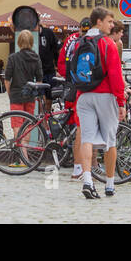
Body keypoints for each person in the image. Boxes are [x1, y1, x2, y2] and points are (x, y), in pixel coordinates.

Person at [71, 6, 127, 199]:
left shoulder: (79, 43)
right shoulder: (108, 44)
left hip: (84, 96)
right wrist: (121, 101)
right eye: (110, 21)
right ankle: (110, 184)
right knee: (110, 141)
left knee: (86, 139)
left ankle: (87, 180)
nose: (112, 25)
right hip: (105, 96)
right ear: (99, 22)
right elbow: (115, 75)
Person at [57, 15, 92, 180]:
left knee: (76, 125)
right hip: (81, 88)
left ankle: (80, 162)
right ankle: (79, 166)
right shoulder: (89, 42)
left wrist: (68, 79)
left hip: (71, 86)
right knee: (81, 128)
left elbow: (62, 63)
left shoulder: (71, 40)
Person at [4, 29, 43, 115]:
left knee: (17, 123)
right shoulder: (36, 58)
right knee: (29, 123)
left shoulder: (12, 58)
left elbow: (7, 80)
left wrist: (10, 95)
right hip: (30, 95)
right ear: (32, 42)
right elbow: (39, 80)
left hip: (16, 95)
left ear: (19, 42)